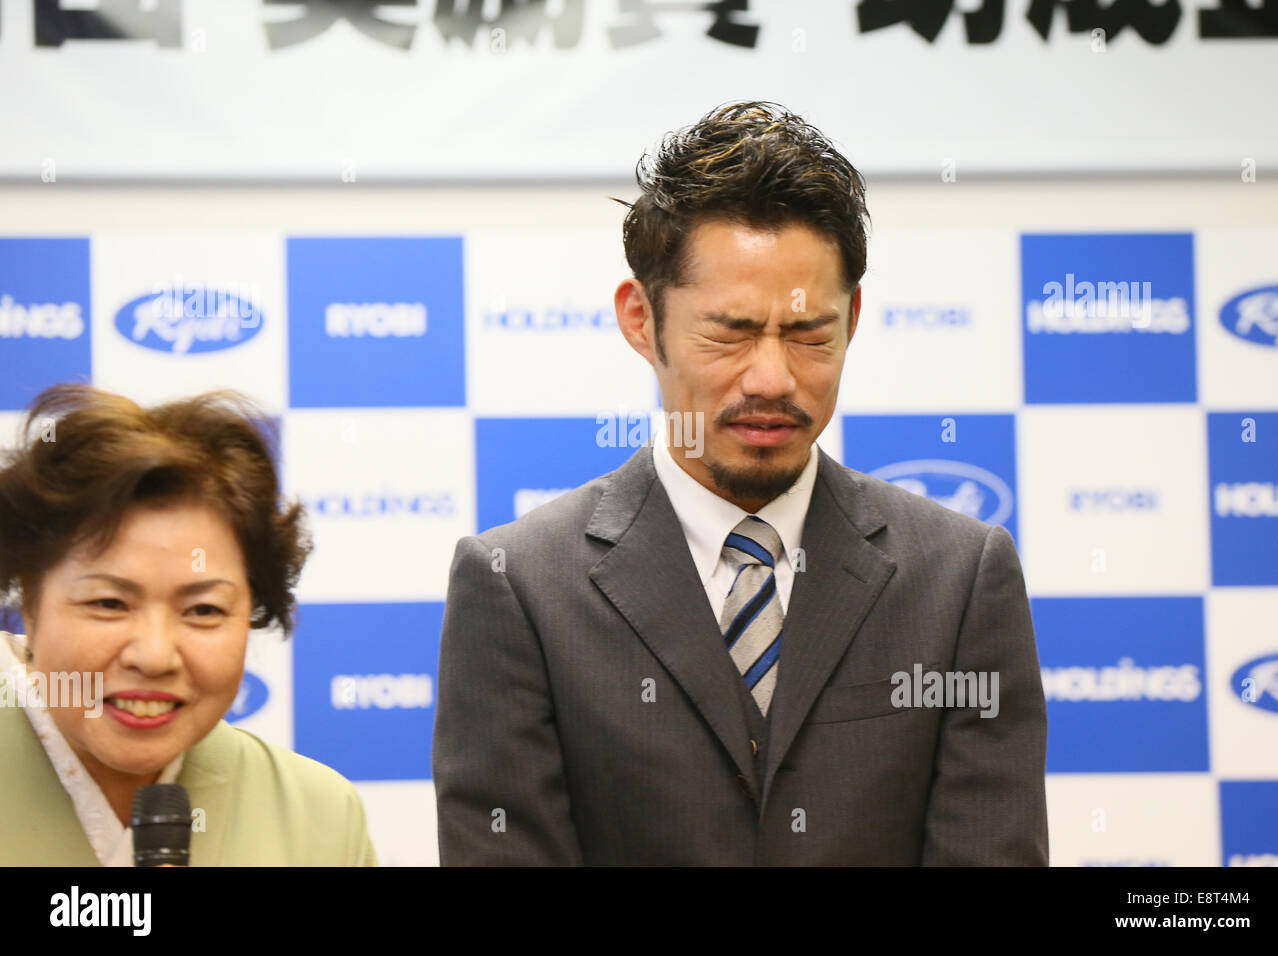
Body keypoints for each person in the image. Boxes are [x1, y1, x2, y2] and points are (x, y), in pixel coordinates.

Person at [433, 101, 1049, 865]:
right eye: (729, 331)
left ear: (852, 319)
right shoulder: (519, 586)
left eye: (807, 333)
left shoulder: (958, 578)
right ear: (640, 318)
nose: (772, 378)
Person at [0, 384, 378, 866]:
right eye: (110, 602)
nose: (155, 656)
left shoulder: (318, 816)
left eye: (203, 610)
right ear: (31, 600)